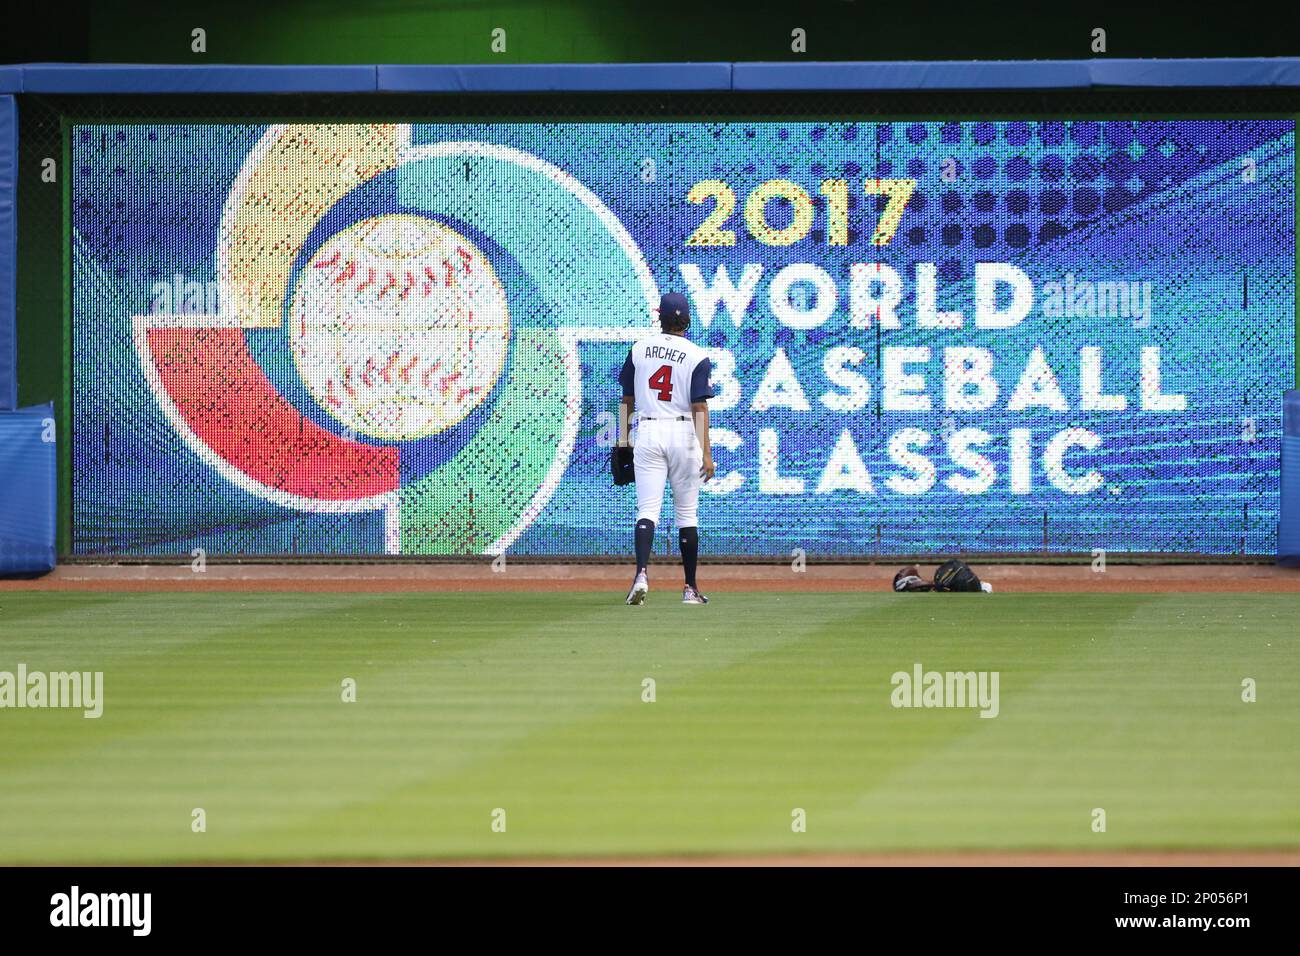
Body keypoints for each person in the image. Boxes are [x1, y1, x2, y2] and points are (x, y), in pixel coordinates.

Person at [617, 292, 715, 605]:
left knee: (647, 510)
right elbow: (700, 407)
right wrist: (708, 454)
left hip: (647, 430)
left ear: (660, 318)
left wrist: (622, 440)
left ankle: (641, 575)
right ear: (687, 320)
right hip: (683, 432)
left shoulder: (639, 349)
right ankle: (690, 589)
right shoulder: (697, 355)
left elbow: (627, 401)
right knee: (686, 515)